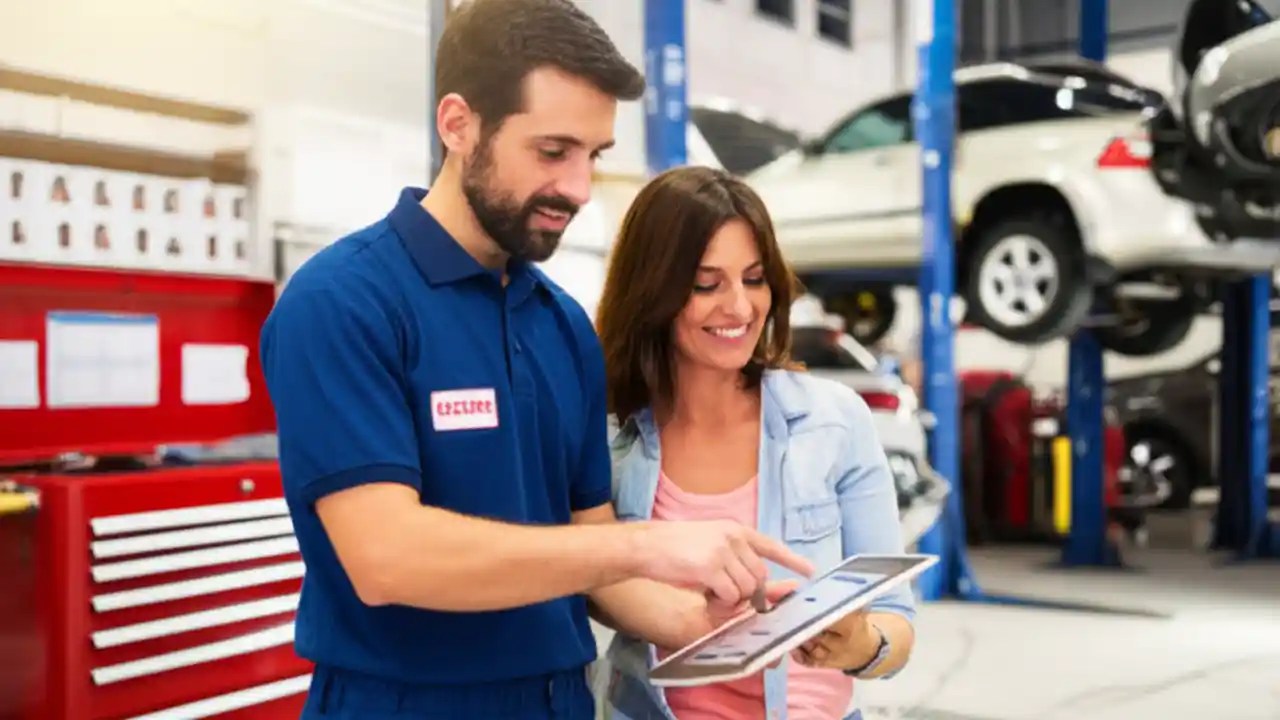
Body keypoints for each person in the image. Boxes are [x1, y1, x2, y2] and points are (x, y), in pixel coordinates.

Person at [258, 2, 813, 719]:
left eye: (594, 156)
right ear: (458, 125)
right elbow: (386, 559)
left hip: (558, 700)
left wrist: (716, 623)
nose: (579, 189)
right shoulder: (343, 302)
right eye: (553, 152)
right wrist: (647, 545)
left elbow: (592, 552)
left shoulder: (562, 327)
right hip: (403, 703)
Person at [595, 166, 919, 720]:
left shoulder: (834, 422)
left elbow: (896, 621)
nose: (741, 308)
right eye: (706, 284)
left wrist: (861, 643)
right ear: (653, 289)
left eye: (754, 278)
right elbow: (582, 584)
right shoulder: (606, 442)